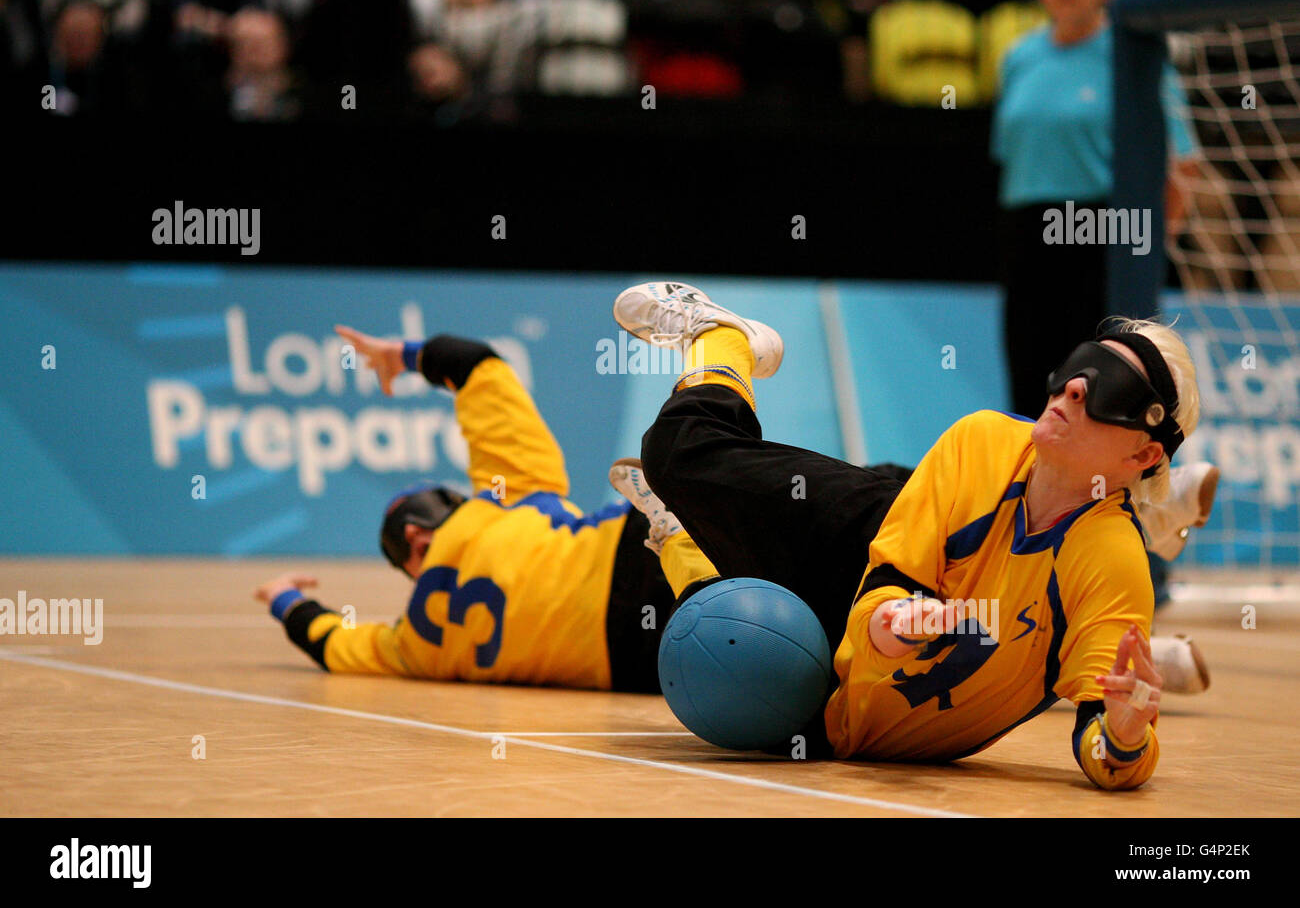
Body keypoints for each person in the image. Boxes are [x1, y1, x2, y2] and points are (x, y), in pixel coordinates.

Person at [609, 280, 1212, 789]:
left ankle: (677, 534)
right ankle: (725, 342)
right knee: (680, 454)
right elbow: (887, 583)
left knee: (717, 641)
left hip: (834, 715)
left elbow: (1103, 753)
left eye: (1111, 388)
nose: (1076, 388)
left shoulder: (1111, 563)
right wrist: (890, 622)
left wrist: (1127, 739)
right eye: (1083, 366)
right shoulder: (981, 440)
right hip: (864, 552)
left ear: (1145, 450)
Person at [251, 327, 712, 692]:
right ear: (423, 527)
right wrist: (402, 356)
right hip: (640, 555)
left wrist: (284, 599)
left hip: (648, 663)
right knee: (695, 468)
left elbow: (332, 644)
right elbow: (476, 366)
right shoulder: (502, 499)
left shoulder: (414, 645)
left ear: (411, 558)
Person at [990, 0, 1205, 610]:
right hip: (1030, 237)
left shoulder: (1134, 56)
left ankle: (1131, 556)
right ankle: (1030, 565)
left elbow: (1184, 165)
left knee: (1106, 412)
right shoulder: (1020, 56)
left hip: (1101, 236)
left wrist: (1143, 246)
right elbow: (1012, 157)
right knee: (1032, 399)